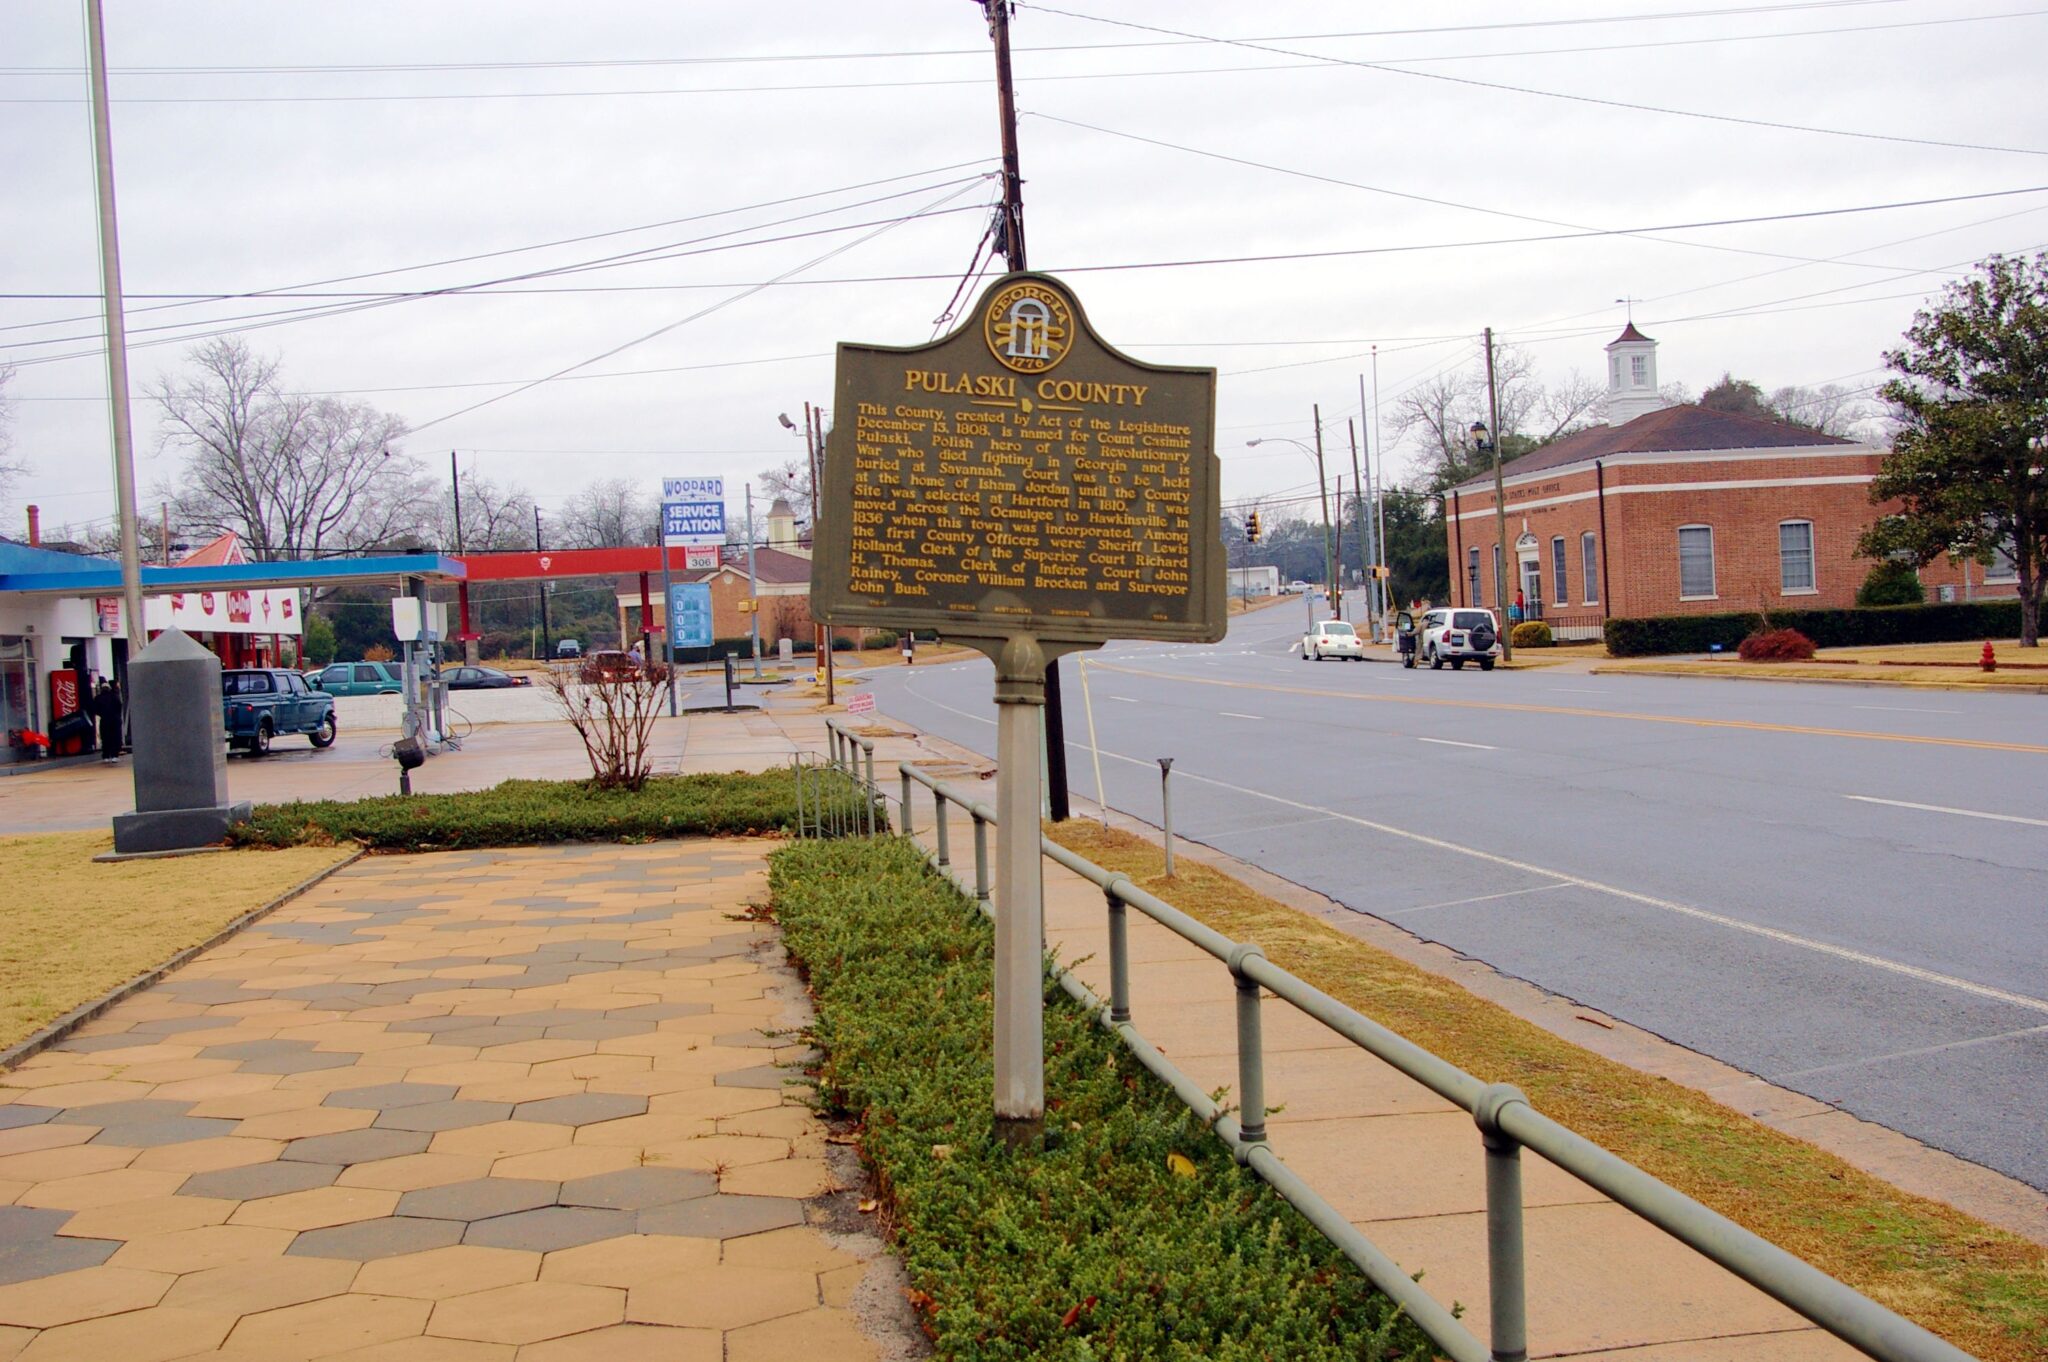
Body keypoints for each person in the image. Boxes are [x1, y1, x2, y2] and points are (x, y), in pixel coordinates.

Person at [91, 677, 123, 764]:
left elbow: (94, 709)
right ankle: (114, 756)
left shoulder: (98, 698)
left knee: (105, 738)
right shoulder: (114, 696)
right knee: (115, 737)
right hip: (115, 720)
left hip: (104, 720)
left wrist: (102, 714)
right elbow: (119, 706)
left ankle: (106, 756)